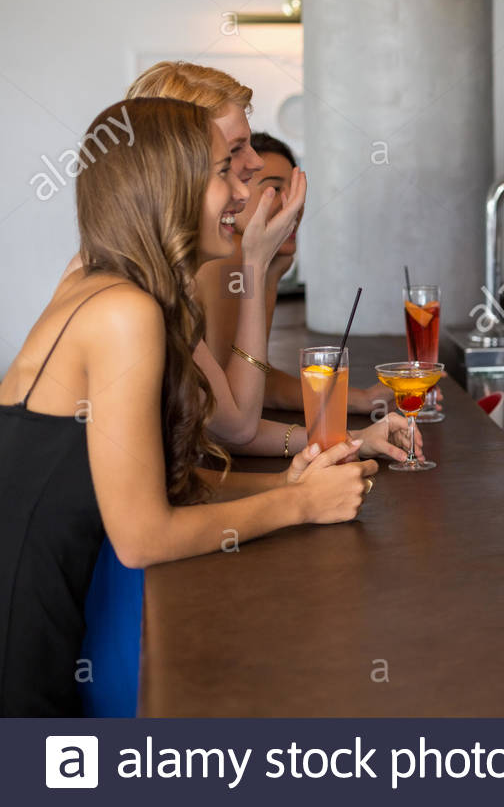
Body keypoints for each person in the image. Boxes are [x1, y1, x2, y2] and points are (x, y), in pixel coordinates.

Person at [0, 97, 379, 715]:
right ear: (166, 186)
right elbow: (144, 537)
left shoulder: (105, 284)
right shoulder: (125, 313)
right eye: (223, 173)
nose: (242, 192)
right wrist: (300, 503)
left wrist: (282, 481)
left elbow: (141, 484)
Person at [121, 62, 409, 461]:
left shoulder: (170, 278)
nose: (254, 162)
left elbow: (233, 414)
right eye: (235, 152)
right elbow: (231, 424)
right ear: (179, 158)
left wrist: (345, 441)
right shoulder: (134, 291)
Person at [194, 130, 386, 413]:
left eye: (294, 191)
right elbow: (235, 395)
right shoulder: (231, 257)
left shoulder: (255, 262)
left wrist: (360, 400)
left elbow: (257, 377)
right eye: (272, 190)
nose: (290, 206)